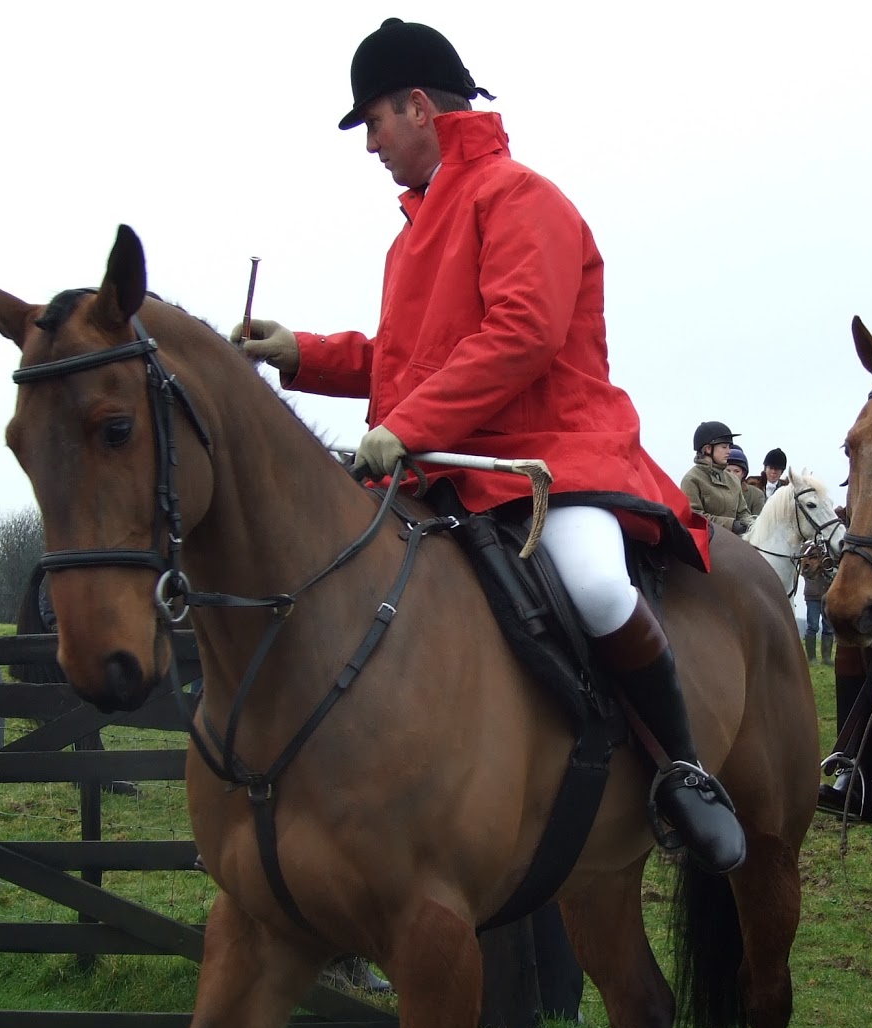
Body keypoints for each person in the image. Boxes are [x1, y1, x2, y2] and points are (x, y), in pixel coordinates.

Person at [233, 19, 743, 874]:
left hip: (551, 458)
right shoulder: (412, 233)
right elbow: (409, 361)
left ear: (418, 106)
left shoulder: (521, 196)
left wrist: (407, 429)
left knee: (594, 582)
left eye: (373, 123)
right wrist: (302, 354)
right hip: (454, 465)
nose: (370, 146)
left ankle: (683, 770)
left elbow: (521, 335)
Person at [680, 423, 753, 535]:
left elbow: (743, 512)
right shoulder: (691, 479)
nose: (729, 451)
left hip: (735, 540)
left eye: (729, 447)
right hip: (707, 540)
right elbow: (694, 517)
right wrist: (730, 525)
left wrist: (754, 526)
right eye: (724, 447)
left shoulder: (733, 480)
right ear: (708, 449)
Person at [800, 546, 835, 665]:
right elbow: (805, 571)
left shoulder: (830, 548)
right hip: (813, 594)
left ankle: (826, 657)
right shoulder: (808, 549)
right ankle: (812, 658)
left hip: (828, 593)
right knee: (813, 626)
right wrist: (819, 562)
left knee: (828, 627)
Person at [725, 446, 766, 518]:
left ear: (743, 473)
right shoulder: (715, 491)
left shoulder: (756, 495)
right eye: (728, 471)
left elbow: (758, 521)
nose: (732, 475)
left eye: (736, 471)